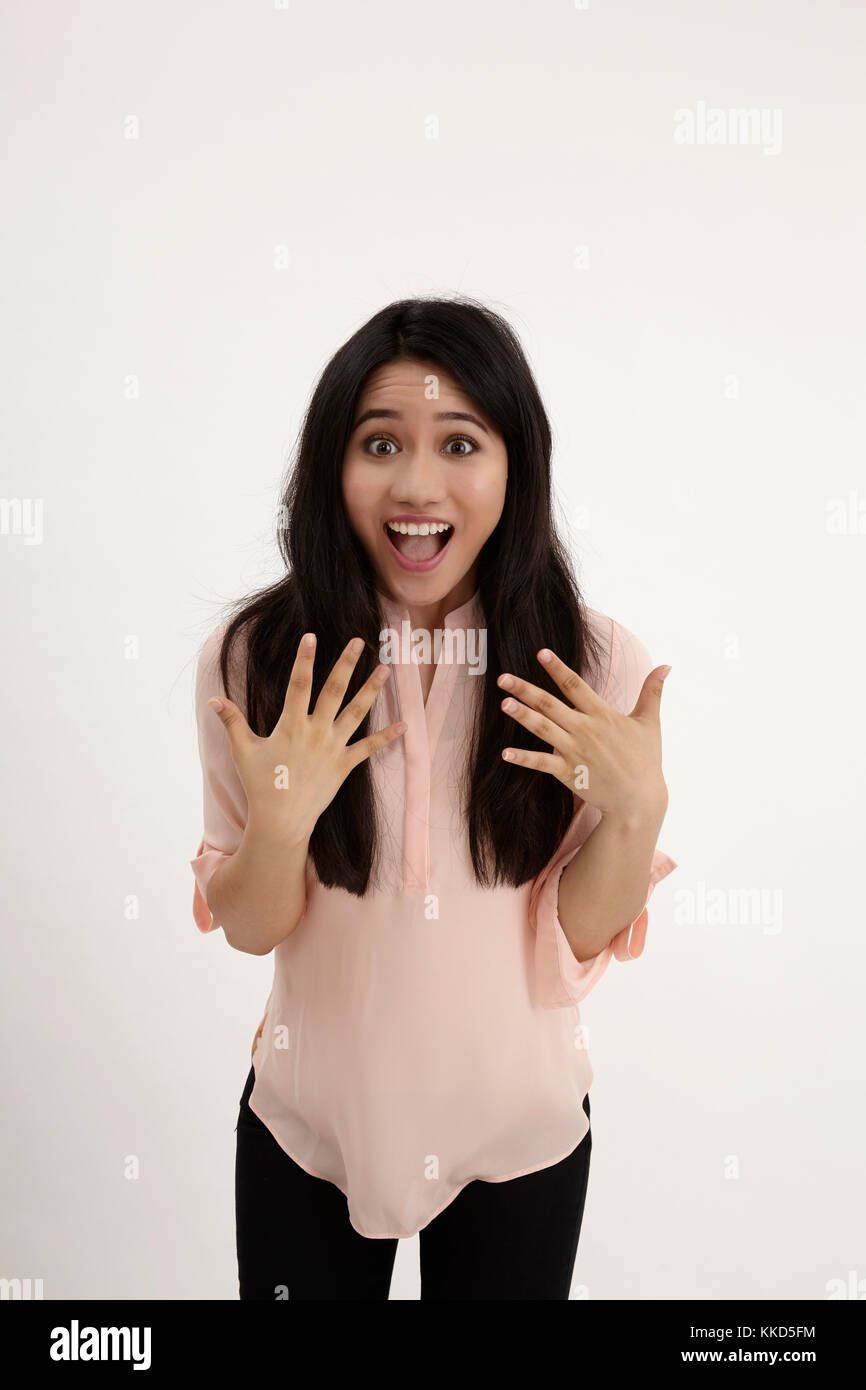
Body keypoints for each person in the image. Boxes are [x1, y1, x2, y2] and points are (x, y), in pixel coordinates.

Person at [189, 295, 677, 1300]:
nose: (416, 485)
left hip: (520, 1137)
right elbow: (248, 926)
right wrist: (278, 827)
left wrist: (633, 815)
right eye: (379, 442)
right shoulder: (256, 659)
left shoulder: (590, 661)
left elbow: (577, 935)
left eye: (459, 442)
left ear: (514, 466)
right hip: (309, 1130)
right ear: (332, 465)